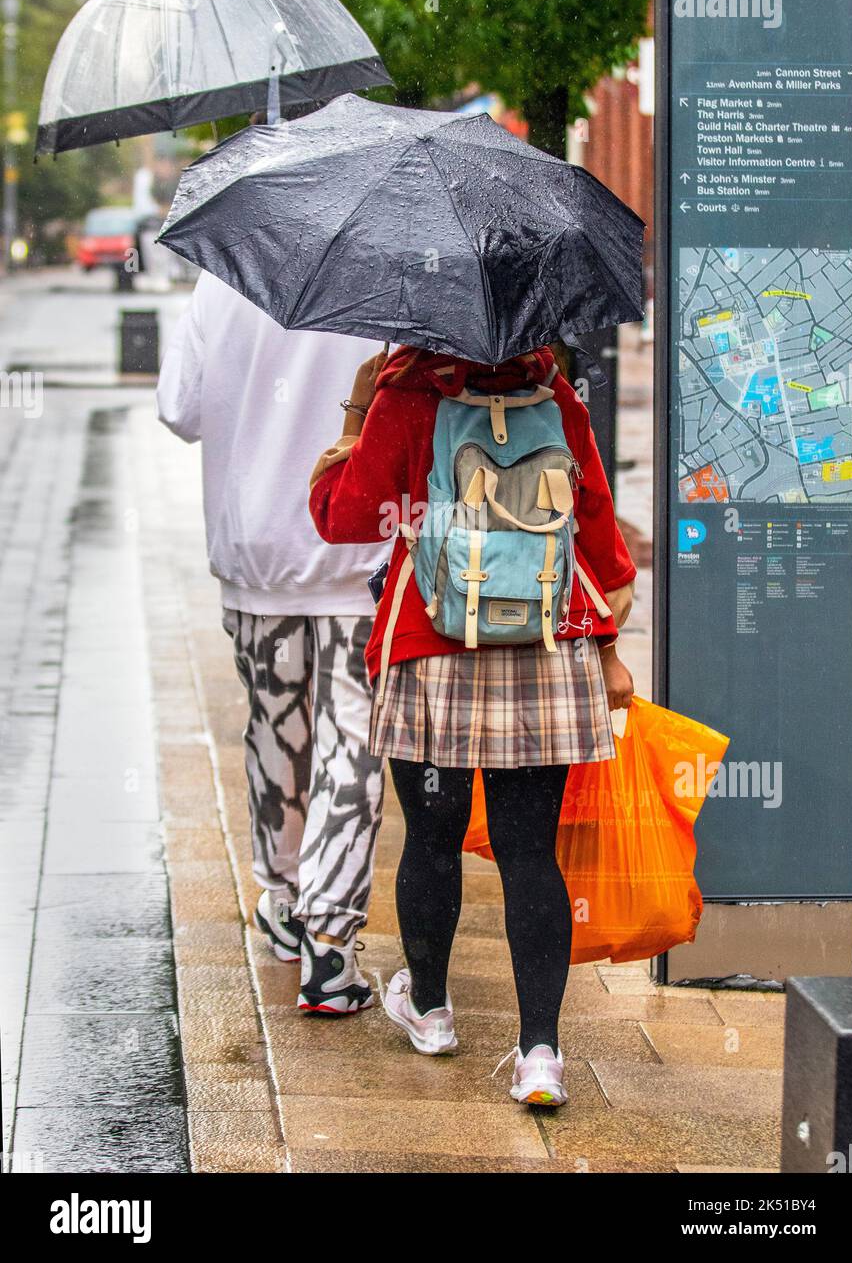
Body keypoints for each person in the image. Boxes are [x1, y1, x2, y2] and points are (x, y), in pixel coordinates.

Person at [309, 343, 636, 1106]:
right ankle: (541, 1055)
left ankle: (430, 1010)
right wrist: (613, 640)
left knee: (431, 836)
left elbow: (343, 516)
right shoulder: (555, 392)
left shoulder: (406, 390)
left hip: (431, 649)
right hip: (544, 648)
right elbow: (597, 531)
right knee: (531, 854)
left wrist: (358, 412)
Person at [157, 271, 386, 1014]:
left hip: (255, 552)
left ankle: (283, 899)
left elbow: (178, 409)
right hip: (359, 550)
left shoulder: (225, 275)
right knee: (354, 745)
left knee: (273, 731)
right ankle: (330, 945)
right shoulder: (389, 277)